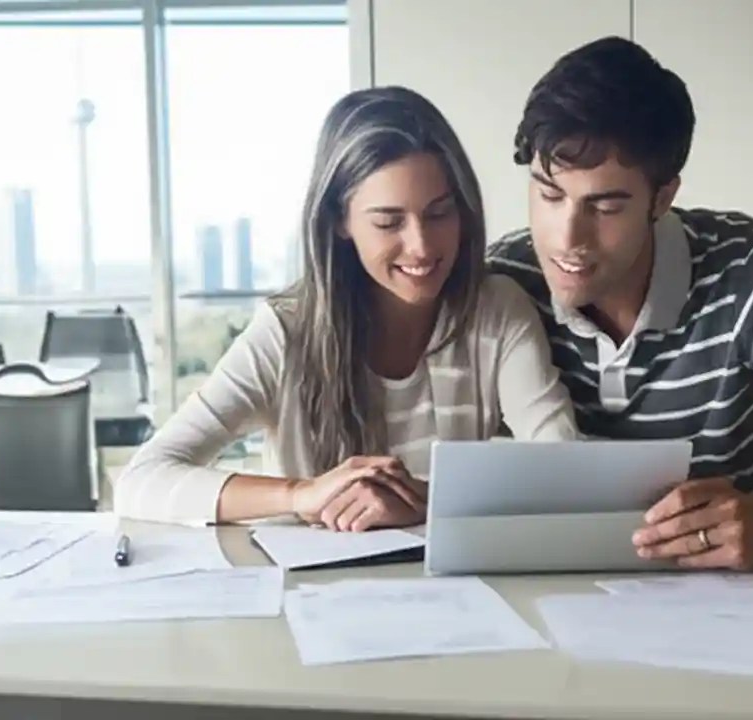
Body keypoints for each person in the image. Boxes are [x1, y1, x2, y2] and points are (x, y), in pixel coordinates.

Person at [486, 36, 753, 569]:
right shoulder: (505, 280)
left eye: (605, 207)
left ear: (662, 198)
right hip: (565, 602)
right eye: (548, 194)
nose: (568, 238)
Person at [117, 86, 579, 531]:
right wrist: (302, 494)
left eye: (439, 213)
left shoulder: (496, 310)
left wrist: (423, 502)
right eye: (388, 221)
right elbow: (144, 479)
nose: (421, 246)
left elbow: (565, 468)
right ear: (340, 219)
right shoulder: (287, 331)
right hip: (311, 597)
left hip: (453, 593)